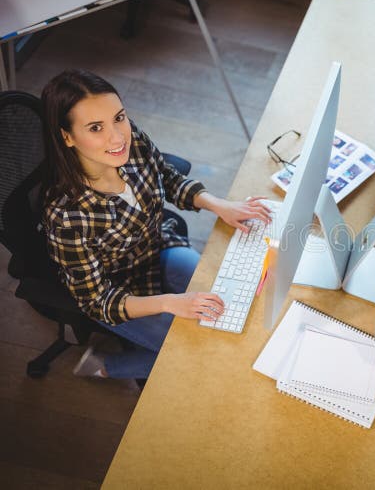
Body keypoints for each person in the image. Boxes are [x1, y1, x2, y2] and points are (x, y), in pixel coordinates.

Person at [41, 69, 271, 380]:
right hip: (118, 288)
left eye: (119, 117)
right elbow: (97, 301)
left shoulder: (130, 141)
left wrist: (219, 205)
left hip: (157, 247)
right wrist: (170, 302)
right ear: (67, 136)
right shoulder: (66, 216)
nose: (117, 136)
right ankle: (105, 367)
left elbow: (167, 177)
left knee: (230, 309)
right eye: (96, 128)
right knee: (196, 348)